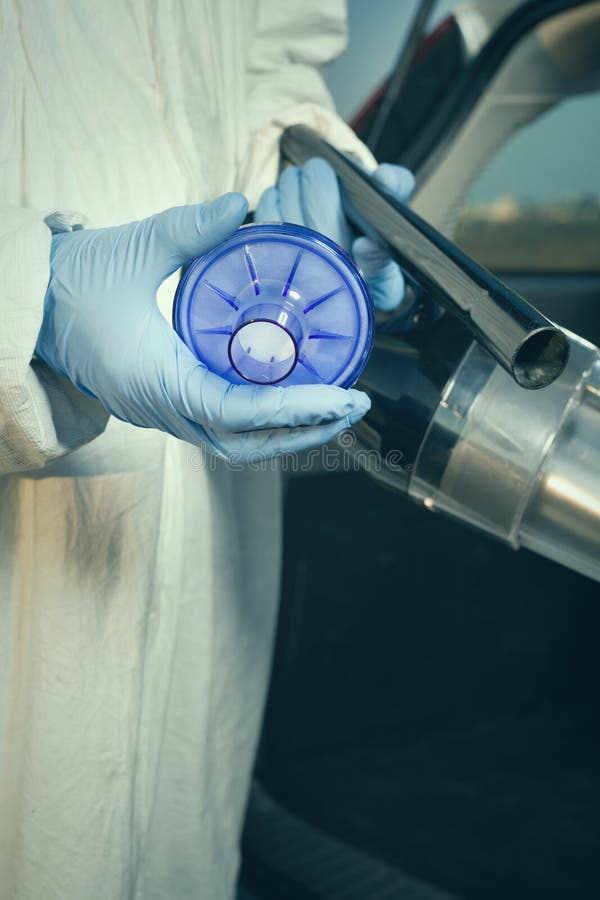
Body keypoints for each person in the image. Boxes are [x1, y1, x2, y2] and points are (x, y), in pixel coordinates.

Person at [0, 3, 412, 898]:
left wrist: (313, 173)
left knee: (166, 834)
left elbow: (275, 60)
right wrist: (29, 295)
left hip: (200, 525)